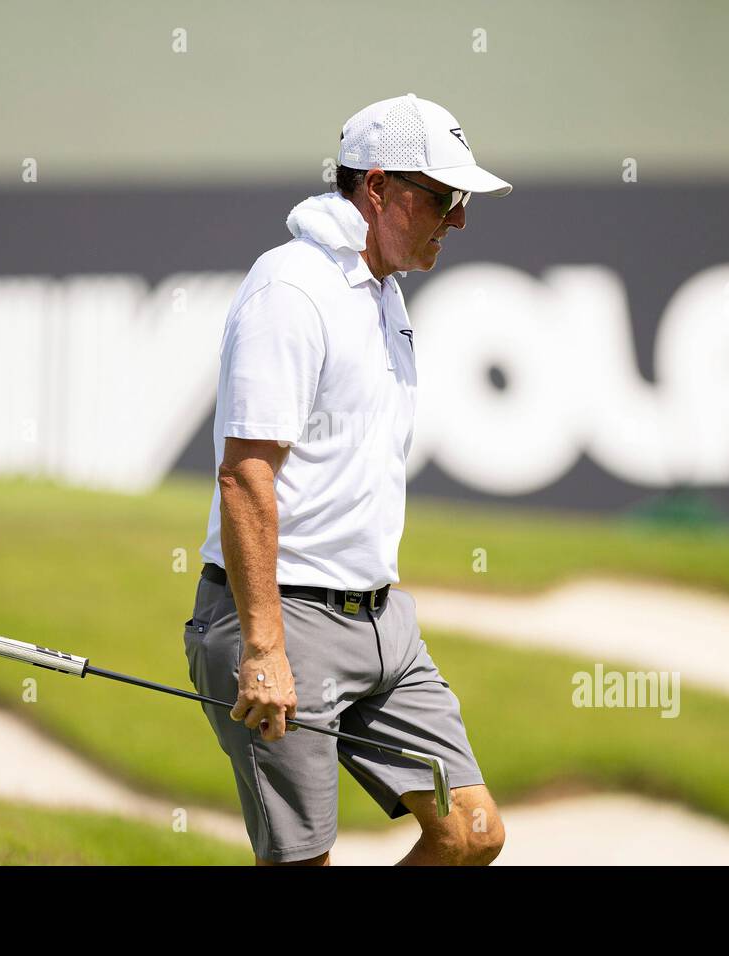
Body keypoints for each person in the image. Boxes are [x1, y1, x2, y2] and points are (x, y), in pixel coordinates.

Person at [184, 94, 512, 865]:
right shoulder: (291, 290)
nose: (456, 219)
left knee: (470, 834)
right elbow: (246, 474)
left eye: (459, 201)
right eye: (440, 197)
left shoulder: (383, 294)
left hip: (383, 626)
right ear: (376, 188)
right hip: (278, 619)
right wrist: (264, 647)